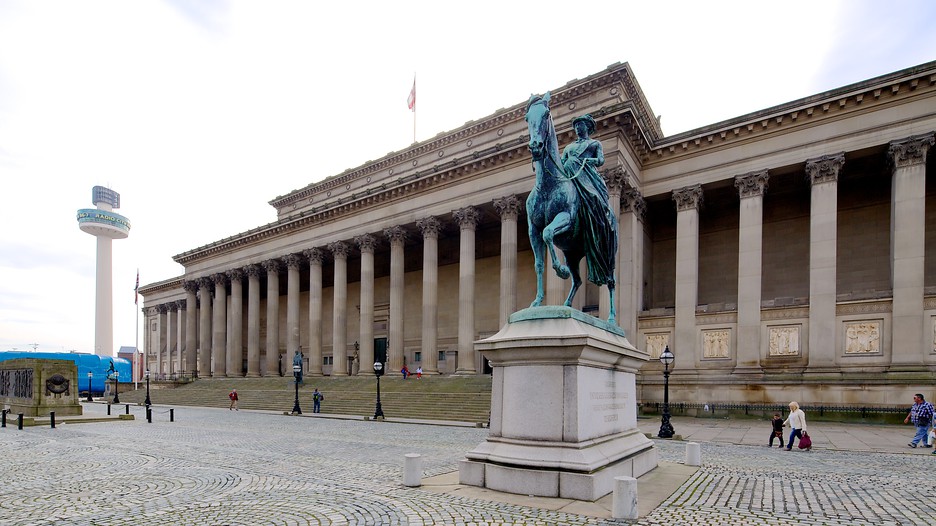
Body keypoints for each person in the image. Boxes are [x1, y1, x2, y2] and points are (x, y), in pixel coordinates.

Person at [559, 113, 617, 288]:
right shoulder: (569, 147)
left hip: (586, 178)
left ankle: (598, 229)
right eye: (576, 125)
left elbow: (600, 160)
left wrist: (585, 160)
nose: (578, 128)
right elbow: (561, 163)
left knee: (593, 199)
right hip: (570, 177)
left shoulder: (594, 144)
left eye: (581, 125)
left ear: (588, 127)